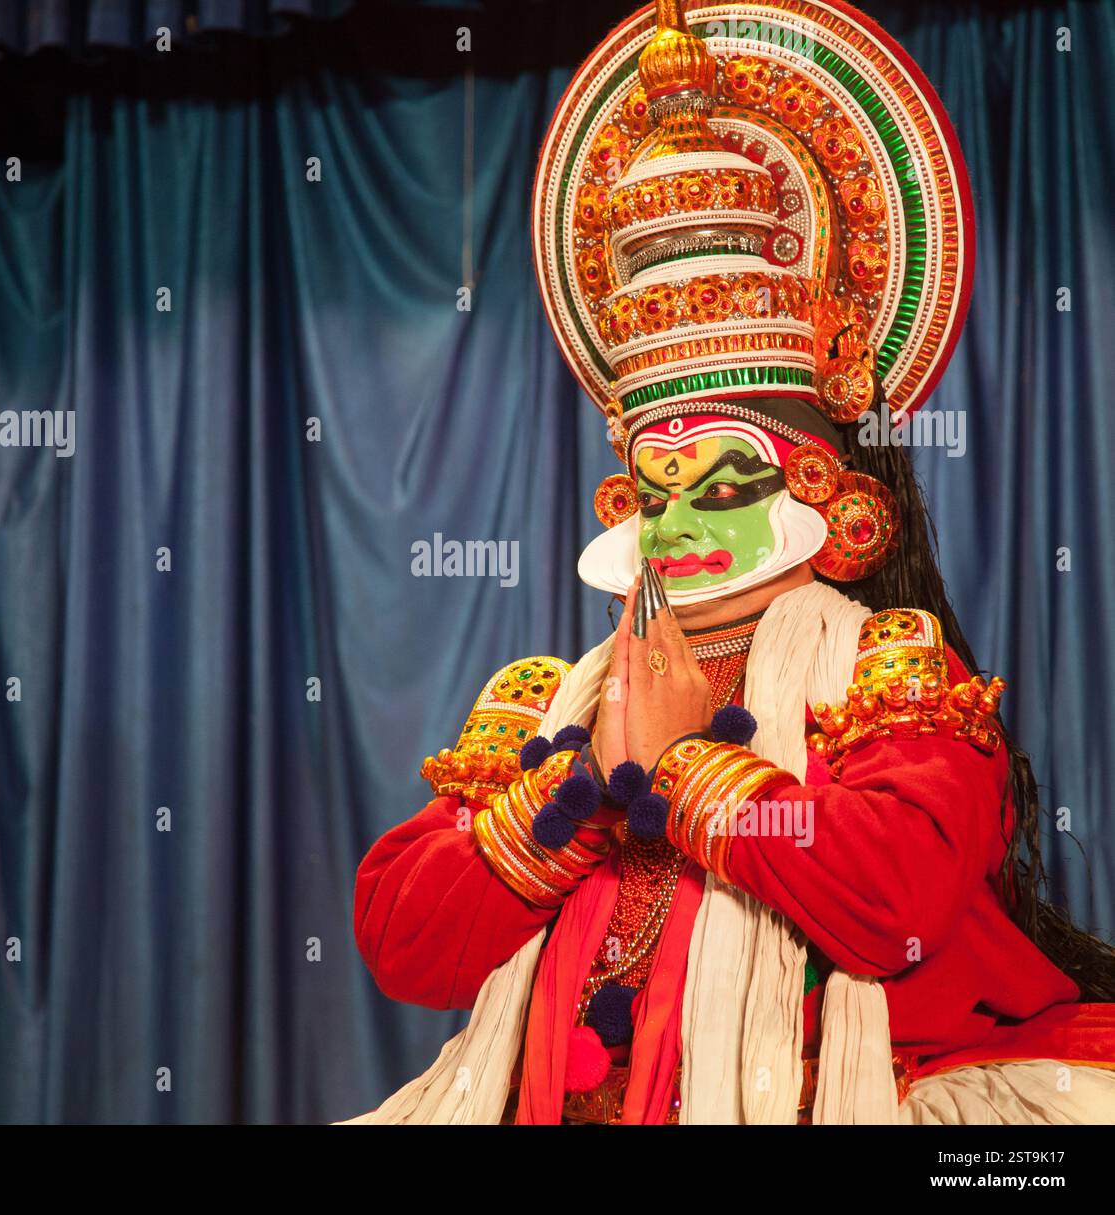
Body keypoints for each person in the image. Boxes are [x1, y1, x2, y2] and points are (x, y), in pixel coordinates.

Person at [346, 0, 1115, 1124]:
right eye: (656, 491)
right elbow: (407, 941)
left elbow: (891, 891)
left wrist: (690, 772)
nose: (679, 523)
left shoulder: (884, 670)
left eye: (720, 483)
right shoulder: (546, 702)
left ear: (826, 498)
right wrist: (578, 793)